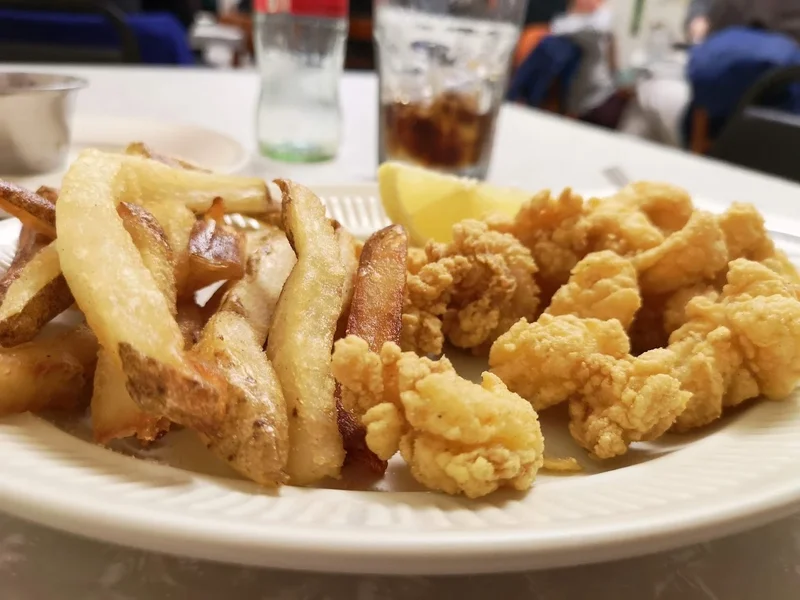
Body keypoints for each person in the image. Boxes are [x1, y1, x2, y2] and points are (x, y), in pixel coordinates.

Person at [550, 0, 628, 129]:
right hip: (584, 103)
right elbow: (558, 26)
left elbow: (601, 25)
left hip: (600, 101)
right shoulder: (573, 26)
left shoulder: (595, 27)